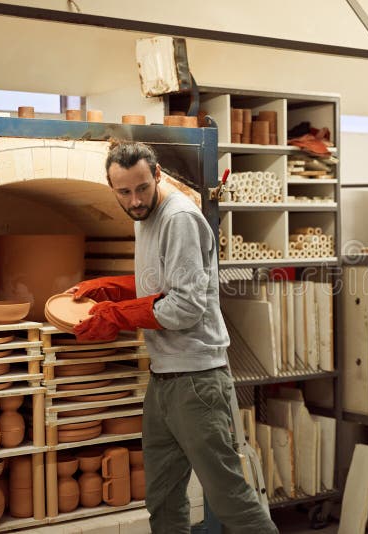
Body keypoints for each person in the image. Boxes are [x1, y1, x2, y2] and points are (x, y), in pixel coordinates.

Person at [70, 141, 277, 534]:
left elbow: (185, 306)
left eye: (142, 188)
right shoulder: (141, 216)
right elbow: (161, 283)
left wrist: (116, 316)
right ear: (111, 187)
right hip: (164, 379)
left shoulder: (178, 217)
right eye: (124, 192)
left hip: (196, 380)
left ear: (158, 174)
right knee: (163, 500)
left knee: (229, 498)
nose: (135, 200)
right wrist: (112, 288)